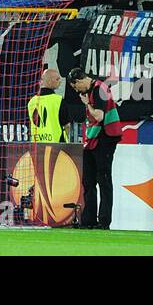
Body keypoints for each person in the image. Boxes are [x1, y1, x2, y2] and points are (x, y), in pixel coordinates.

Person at [70, 69, 123, 228]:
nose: (77, 91)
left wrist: (87, 104)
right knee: (88, 181)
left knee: (104, 180)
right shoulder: (93, 90)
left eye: (75, 88)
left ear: (78, 82)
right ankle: (88, 220)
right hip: (93, 138)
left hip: (105, 138)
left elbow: (99, 116)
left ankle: (104, 221)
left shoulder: (100, 89)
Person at [28, 67, 79, 142]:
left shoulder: (31, 101)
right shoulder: (58, 100)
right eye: (57, 79)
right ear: (49, 81)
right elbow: (67, 125)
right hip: (56, 145)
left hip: (37, 146)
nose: (60, 81)